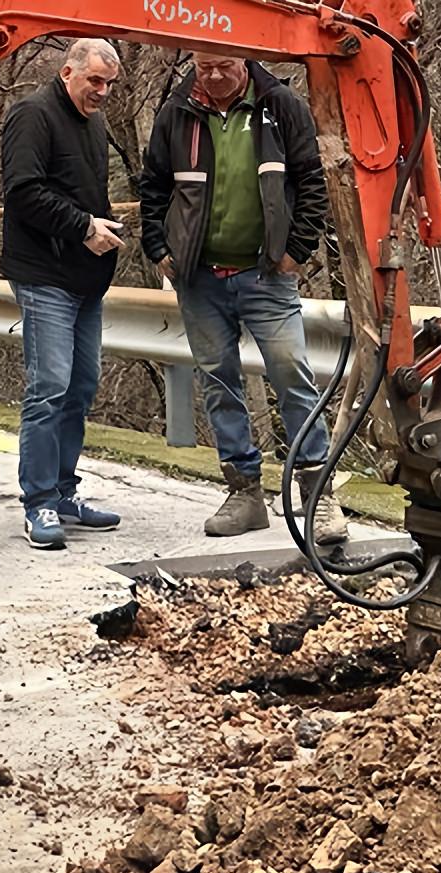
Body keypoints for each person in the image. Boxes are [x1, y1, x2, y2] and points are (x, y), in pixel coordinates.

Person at [139, 52, 349, 544]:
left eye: (223, 66)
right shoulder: (177, 111)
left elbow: (310, 181)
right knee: (219, 383)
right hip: (200, 276)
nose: (211, 76)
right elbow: (153, 185)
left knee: (292, 377)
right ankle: (244, 493)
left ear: (245, 62)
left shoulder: (279, 105)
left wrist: (297, 249)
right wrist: (158, 246)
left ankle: (318, 497)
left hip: (265, 274)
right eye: (203, 66)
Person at [0, 38, 126, 551]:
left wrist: (100, 227)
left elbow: (84, 192)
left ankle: (64, 490)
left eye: (109, 85)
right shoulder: (32, 114)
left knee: (80, 388)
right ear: (68, 71)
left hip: (85, 277)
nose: (101, 92)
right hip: (44, 272)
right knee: (49, 387)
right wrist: (81, 227)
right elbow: (23, 191)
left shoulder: (93, 123)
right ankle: (38, 504)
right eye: (94, 81)